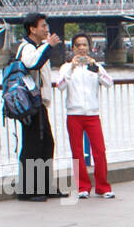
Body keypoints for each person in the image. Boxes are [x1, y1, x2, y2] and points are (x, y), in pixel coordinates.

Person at [54, 33, 114, 199]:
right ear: (73, 48)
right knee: (77, 152)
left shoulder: (95, 66)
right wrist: (72, 68)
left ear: (89, 47)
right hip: (74, 114)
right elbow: (60, 86)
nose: (81, 48)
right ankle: (82, 187)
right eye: (78, 45)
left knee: (99, 151)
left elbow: (109, 83)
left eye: (84, 45)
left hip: (92, 115)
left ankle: (102, 187)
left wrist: (96, 68)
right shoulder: (66, 67)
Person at [15, 12, 64, 201]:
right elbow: (33, 63)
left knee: (45, 143)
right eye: (43, 26)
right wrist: (48, 45)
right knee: (32, 145)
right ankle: (28, 191)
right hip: (29, 103)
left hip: (37, 103)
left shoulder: (35, 46)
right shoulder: (27, 48)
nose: (46, 29)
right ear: (32, 29)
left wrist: (45, 46)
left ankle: (44, 186)